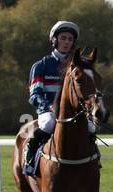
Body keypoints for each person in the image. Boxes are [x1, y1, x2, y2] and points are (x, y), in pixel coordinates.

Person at [22, 20, 80, 177]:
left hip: (72, 112)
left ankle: (93, 160)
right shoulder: (41, 65)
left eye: (70, 39)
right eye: (63, 38)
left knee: (90, 127)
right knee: (48, 124)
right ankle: (30, 156)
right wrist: (48, 107)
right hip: (48, 111)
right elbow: (35, 94)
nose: (67, 42)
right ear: (54, 40)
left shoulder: (75, 66)